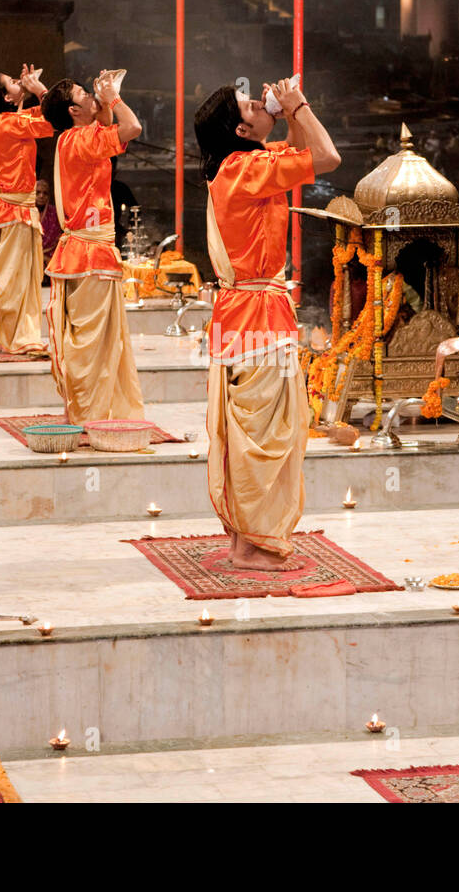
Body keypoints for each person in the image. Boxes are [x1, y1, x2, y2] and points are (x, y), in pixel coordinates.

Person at [193, 78, 340, 571]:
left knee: (251, 431)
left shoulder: (238, 166)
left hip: (241, 314)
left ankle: (244, 542)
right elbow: (328, 157)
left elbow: (299, 153)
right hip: (258, 317)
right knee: (267, 435)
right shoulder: (247, 167)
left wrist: (285, 114)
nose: (260, 101)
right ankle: (255, 544)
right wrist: (299, 103)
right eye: (250, 105)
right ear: (240, 127)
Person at [40, 70, 144, 422]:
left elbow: (106, 126)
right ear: (72, 110)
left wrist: (102, 99)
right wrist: (114, 97)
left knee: (94, 339)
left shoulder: (74, 139)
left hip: (84, 252)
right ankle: (91, 414)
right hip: (89, 254)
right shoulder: (81, 139)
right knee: (92, 342)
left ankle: (94, 409)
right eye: (84, 94)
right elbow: (133, 128)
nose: (90, 97)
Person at [0, 65, 53, 353]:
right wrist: (38, 89)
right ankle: (19, 334)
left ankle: (22, 332)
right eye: (11, 81)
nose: (16, 80)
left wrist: (31, 93)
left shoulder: (10, 119)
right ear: (6, 98)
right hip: (15, 211)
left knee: (24, 274)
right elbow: (50, 122)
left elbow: (45, 116)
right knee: (15, 276)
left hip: (18, 209)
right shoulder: (8, 123)